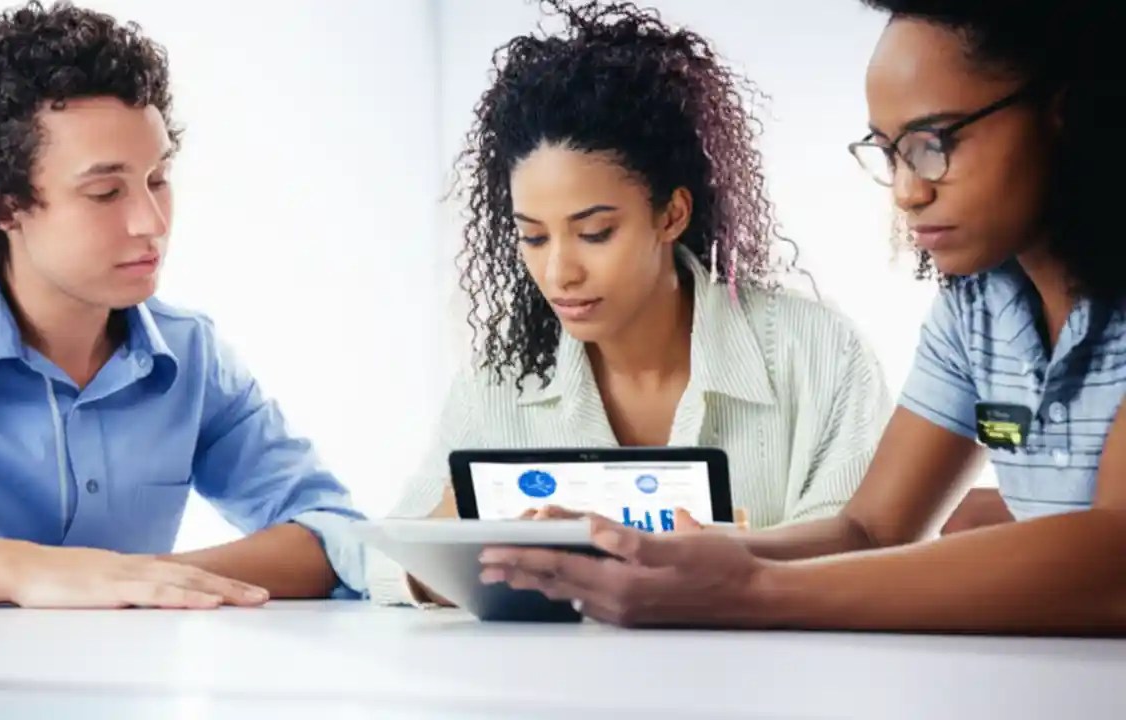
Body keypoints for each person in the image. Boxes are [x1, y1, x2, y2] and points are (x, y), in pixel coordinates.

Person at [478, 0, 1126, 634]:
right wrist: (694, 555)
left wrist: (753, 591)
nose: (908, 190)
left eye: (935, 144)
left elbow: (1115, 556)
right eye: (890, 151)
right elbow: (872, 528)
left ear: (1063, 113)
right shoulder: (975, 309)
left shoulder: (817, 344)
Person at [366, 0, 891, 606]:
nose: (558, 270)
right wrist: (450, 550)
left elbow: (864, 549)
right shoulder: (500, 381)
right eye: (533, 237)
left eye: (595, 233)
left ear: (671, 214)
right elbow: (380, 562)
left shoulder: (818, 354)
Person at [0, 1, 364, 609]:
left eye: (158, 179)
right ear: (1, 202)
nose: (151, 223)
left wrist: (136, 578)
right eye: (104, 192)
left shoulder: (191, 356)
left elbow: (335, 534)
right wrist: (22, 571)